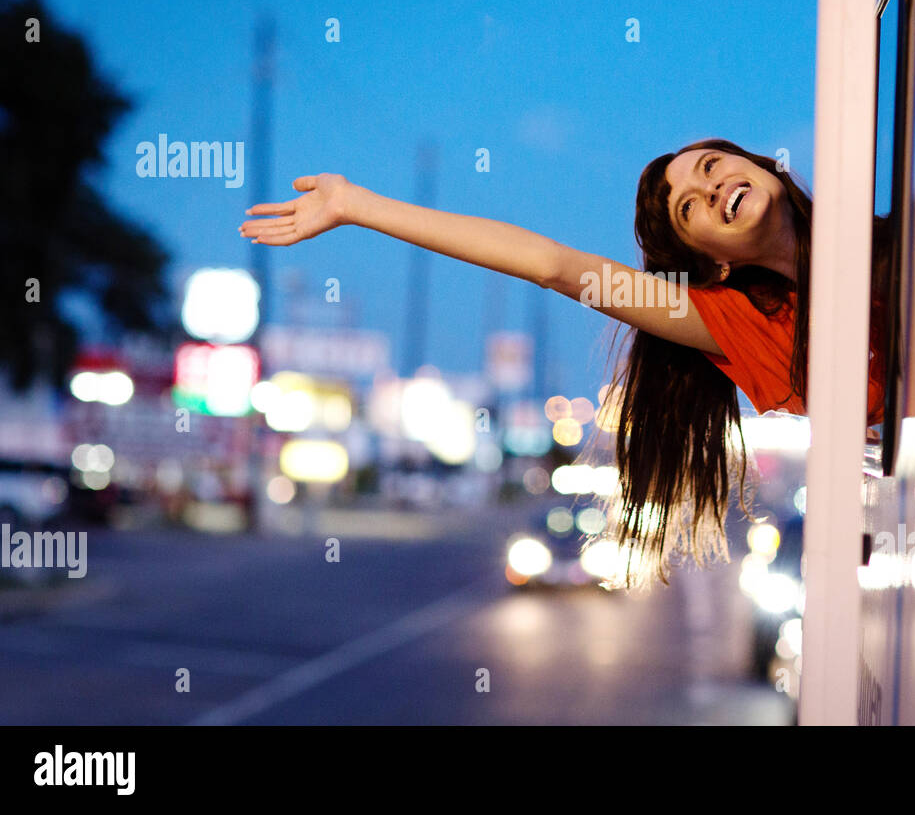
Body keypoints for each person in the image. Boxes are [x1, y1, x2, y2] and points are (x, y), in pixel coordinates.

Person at [239, 138, 882, 586]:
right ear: (712, 263)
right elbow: (552, 266)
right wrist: (358, 206)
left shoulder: (906, 231)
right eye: (689, 207)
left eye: (711, 167)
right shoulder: (745, 328)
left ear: (762, 167)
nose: (709, 187)